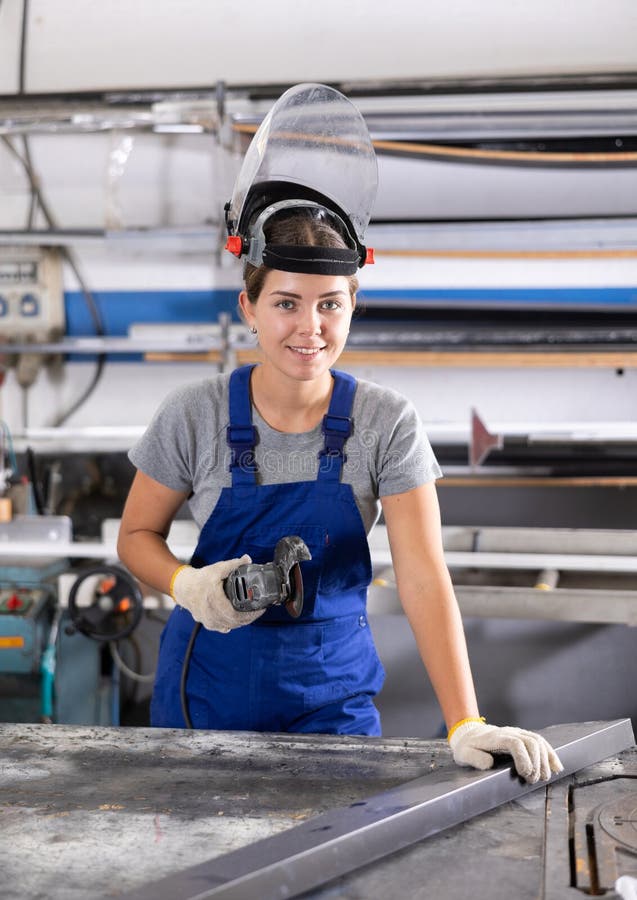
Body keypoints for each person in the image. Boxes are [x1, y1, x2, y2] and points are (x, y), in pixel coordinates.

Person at [117, 84, 562, 785]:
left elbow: (422, 575)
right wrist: (188, 584)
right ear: (249, 306)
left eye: (330, 304)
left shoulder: (385, 422)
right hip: (205, 699)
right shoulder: (193, 413)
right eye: (286, 303)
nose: (310, 328)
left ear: (354, 301)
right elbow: (133, 537)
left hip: (330, 702)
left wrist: (464, 720)